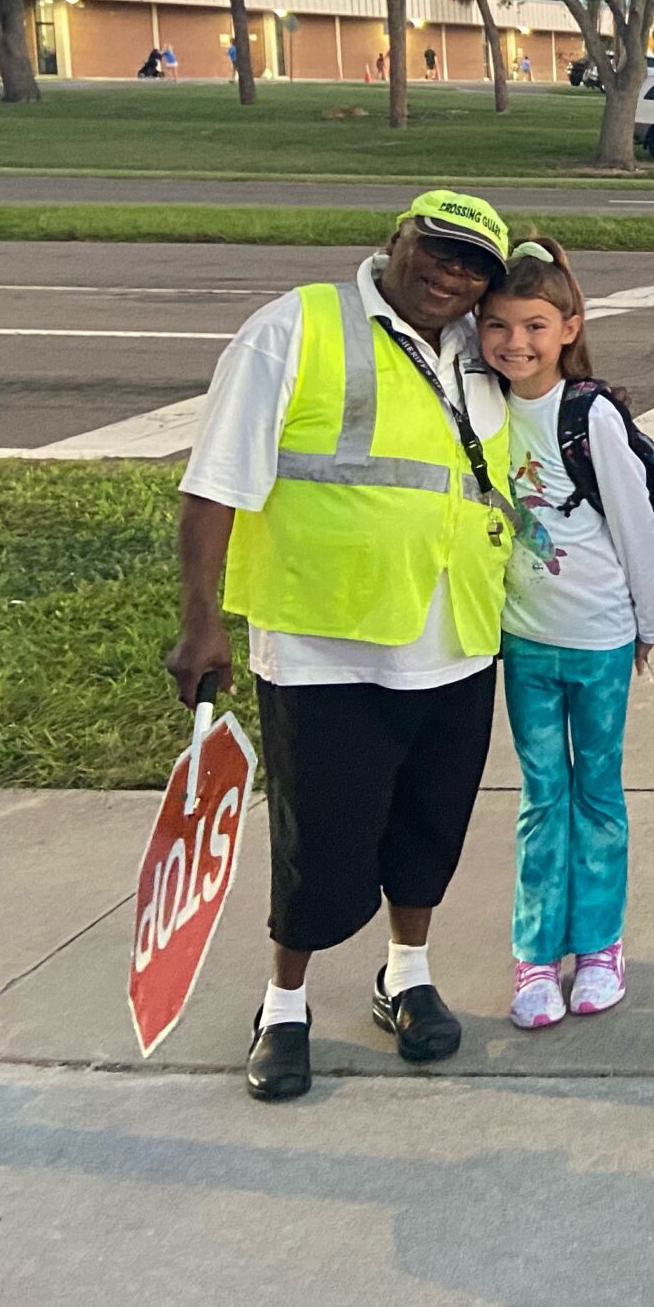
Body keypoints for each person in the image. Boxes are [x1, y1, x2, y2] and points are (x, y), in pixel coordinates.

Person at [165, 189, 517, 1102]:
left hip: (457, 637)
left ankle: (407, 973)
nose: (453, 274)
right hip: (327, 645)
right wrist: (202, 620)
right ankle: (284, 1006)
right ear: (396, 239)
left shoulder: (482, 356)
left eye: (476, 265)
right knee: (317, 845)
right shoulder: (297, 327)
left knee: (427, 830)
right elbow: (215, 483)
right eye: (438, 250)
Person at [478, 235, 654, 1031]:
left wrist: (648, 621)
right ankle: (534, 956)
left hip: (596, 640)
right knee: (539, 796)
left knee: (596, 792)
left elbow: (637, 524)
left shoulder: (589, 415)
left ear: (568, 326)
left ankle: (599, 946)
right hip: (522, 639)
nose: (514, 342)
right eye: (497, 325)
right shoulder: (479, 405)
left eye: (533, 325)